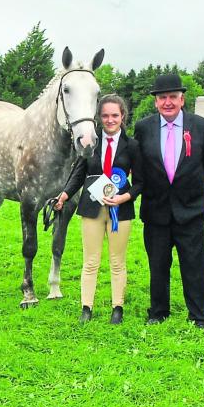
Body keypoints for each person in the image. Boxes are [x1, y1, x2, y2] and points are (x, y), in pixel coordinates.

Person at [133, 74, 204, 329]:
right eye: (162, 98)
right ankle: (158, 311)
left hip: (190, 210)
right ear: (155, 102)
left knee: (194, 265)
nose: (167, 102)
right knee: (158, 264)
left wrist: (190, 189)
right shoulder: (143, 127)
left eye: (173, 97)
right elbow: (140, 167)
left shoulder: (201, 126)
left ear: (182, 99)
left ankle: (200, 315)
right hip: (156, 209)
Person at [55, 94, 142, 324]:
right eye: (105, 115)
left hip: (120, 212)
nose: (110, 120)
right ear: (98, 118)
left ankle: (117, 307)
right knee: (90, 261)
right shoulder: (91, 142)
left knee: (117, 262)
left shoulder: (132, 146)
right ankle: (86, 307)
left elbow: (141, 181)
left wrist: (125, 197)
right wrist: (64, 194)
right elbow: (79, 172)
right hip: (91, 209)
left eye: (115, 115)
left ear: (122, 116)